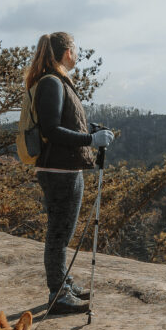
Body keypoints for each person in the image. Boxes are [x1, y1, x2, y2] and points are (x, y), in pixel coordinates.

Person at [24, 32, 113, 314]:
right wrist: (90, 141)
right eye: (75, 50)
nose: (77, 55)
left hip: (60, 167)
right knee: (60, 234)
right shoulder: (52, 82)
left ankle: (63, 284)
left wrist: (89, 132)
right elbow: (51, 130)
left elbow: (61, 123)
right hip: (59, 169)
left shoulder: (54, 81)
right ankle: (59, 294)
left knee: (60, 232)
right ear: (66, 53)